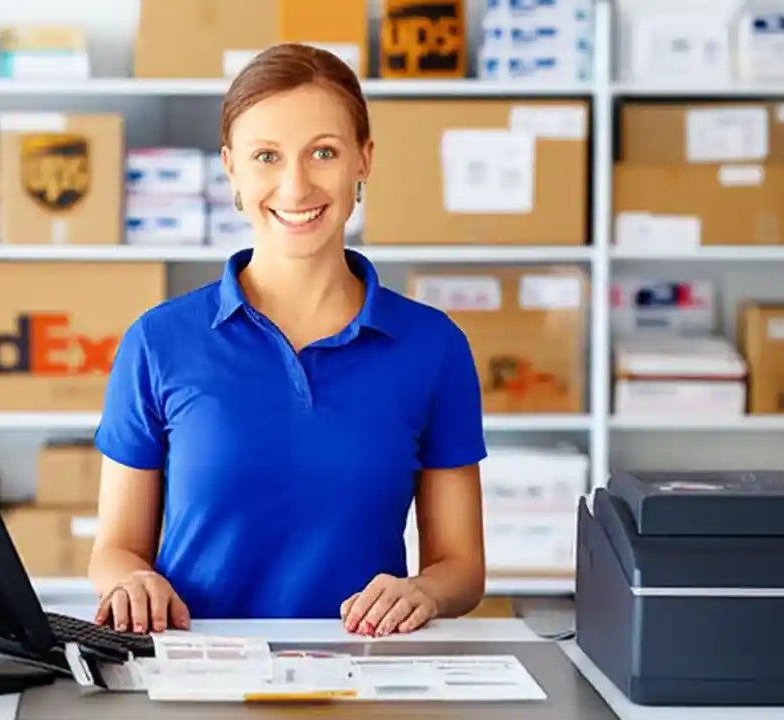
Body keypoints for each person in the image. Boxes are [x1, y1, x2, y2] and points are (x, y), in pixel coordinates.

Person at [88, 43, 487, 637]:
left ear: (364, 161)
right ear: (232, 169)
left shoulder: (433, 347)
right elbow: (115, 550)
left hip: (361, 676)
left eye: (323, 152)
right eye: (267, 156)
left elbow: (461, 567)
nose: (296, 187)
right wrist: (131, 581)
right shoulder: (158, 341)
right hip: (196, 673)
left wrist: (423, 592)